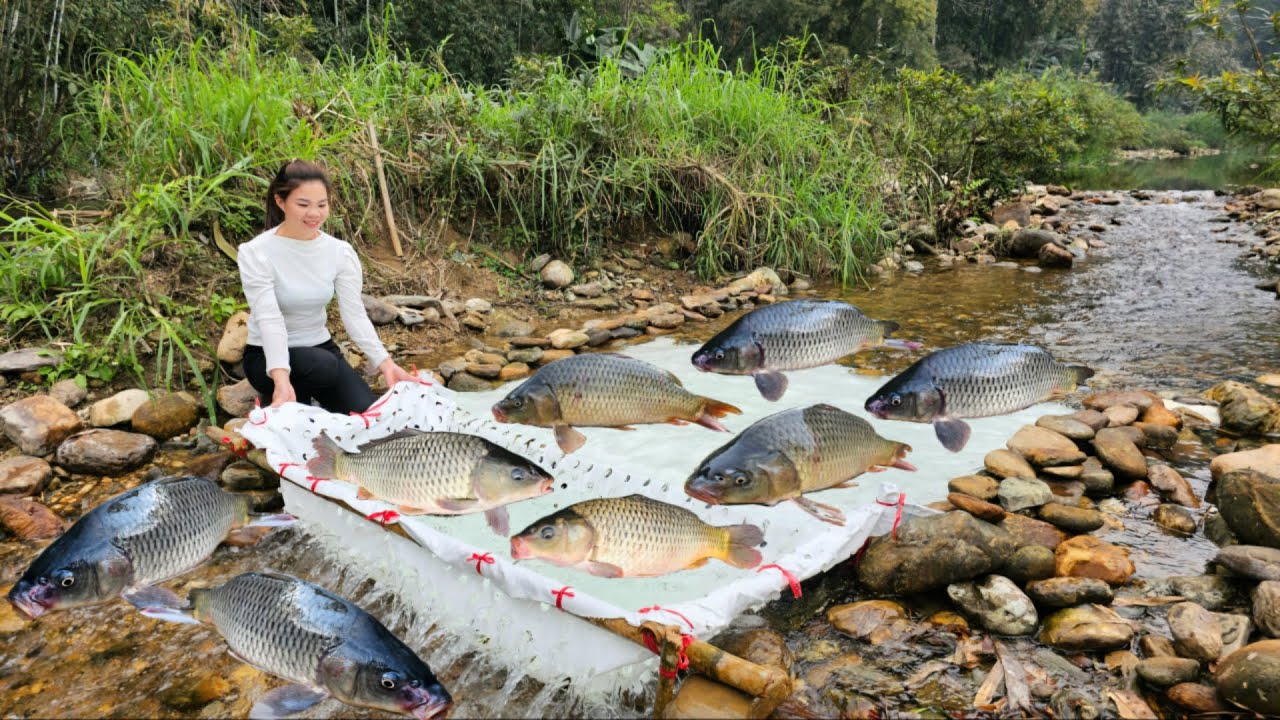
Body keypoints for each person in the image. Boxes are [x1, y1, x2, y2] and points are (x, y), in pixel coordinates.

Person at [238, 159, 418, 414]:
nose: (314, 214)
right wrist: (281, 379)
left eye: (322, 205)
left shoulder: (338, 251)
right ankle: (285, 396)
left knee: (368, 416)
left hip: (320, 350)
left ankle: (301, 400)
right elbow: (269, 318)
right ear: (280, 201)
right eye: (303, 204)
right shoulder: (256, 252)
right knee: (319, 369)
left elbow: (353, 312)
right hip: (266, 357)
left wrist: (386, 363)